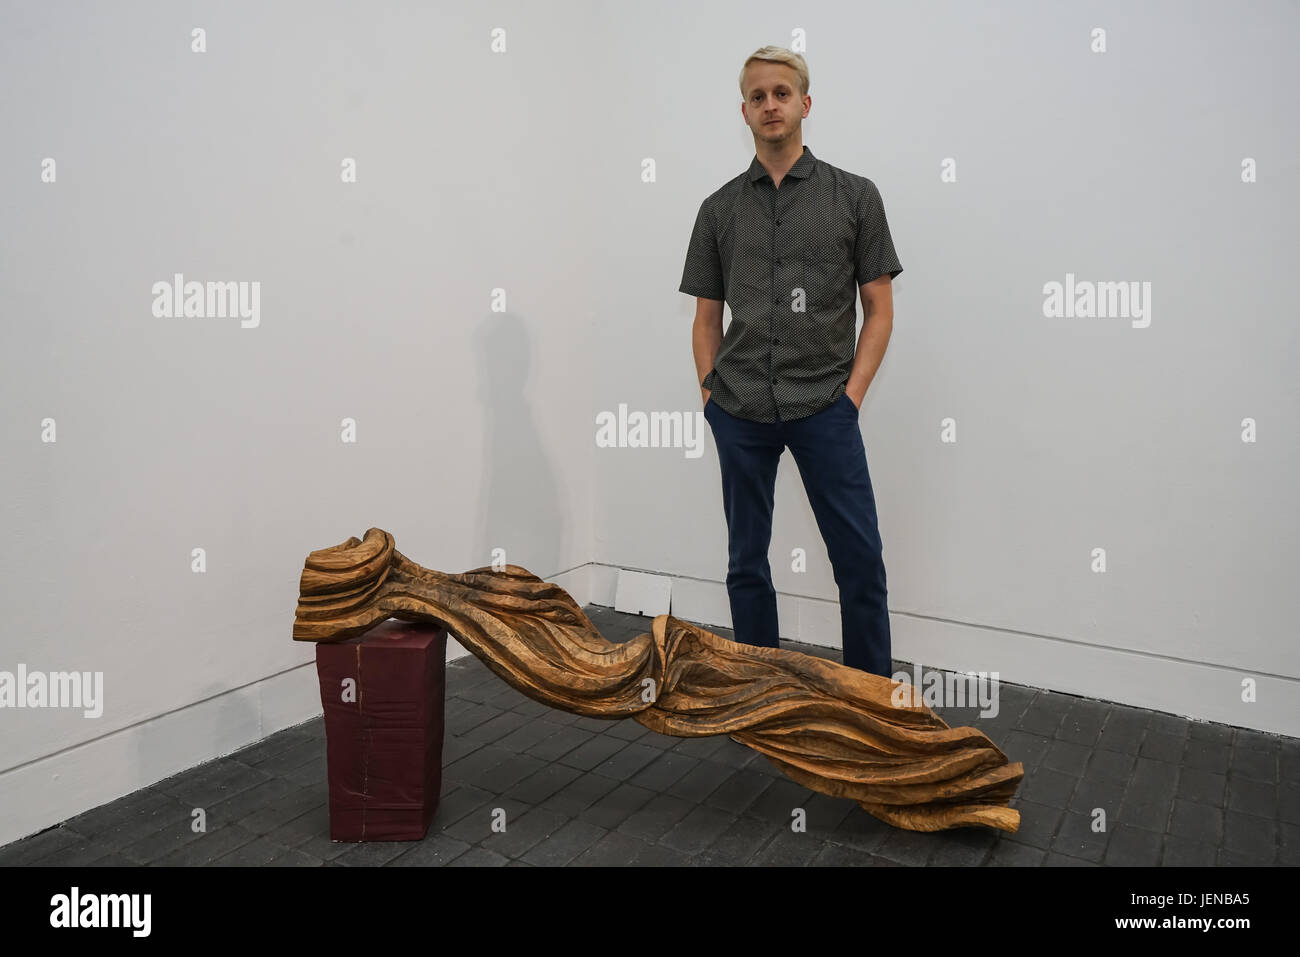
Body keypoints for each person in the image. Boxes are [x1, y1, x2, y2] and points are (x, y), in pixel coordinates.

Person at [677, 46, 903, 677]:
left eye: (781, 92)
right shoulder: (718, 209)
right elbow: (705, 319)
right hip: (740, 409)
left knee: (859, 564)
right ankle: (760, 695)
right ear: (744, 111)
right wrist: (710, 398)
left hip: (824, 406)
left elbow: (879, 310)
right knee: (745, 563)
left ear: (805, 103)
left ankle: (871, 704)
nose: (769, 104)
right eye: (757, 96)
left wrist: (851, 397)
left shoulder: (855, 197)